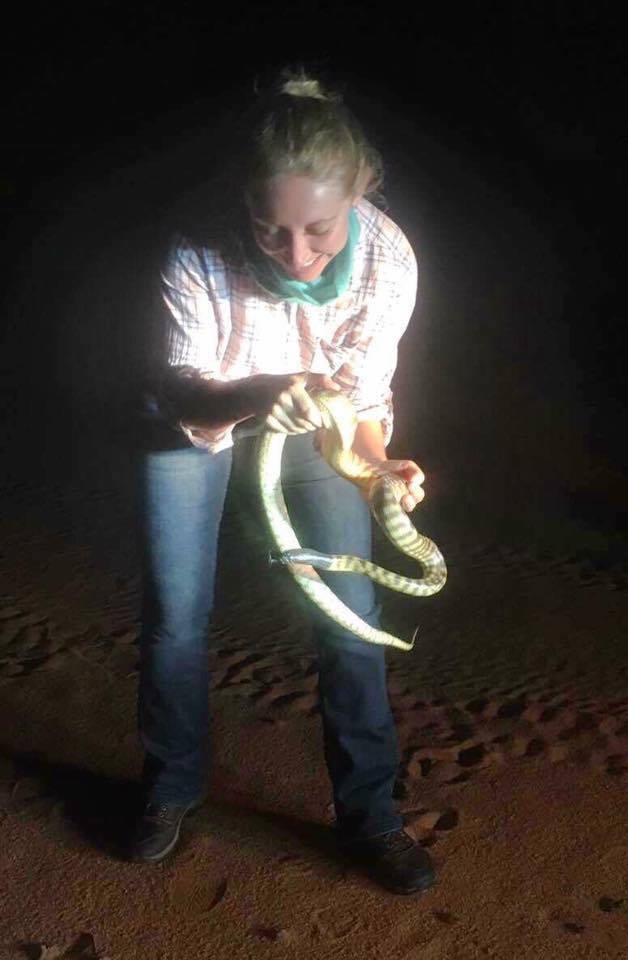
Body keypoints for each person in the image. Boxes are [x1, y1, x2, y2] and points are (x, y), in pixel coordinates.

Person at [132, 68, 433, 896]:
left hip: (314, 424)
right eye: (270, 232)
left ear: (361, 193)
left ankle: (371, 813)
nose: (296, 255)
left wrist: (380, 468)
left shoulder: (389, 259)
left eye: (319, 231)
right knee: (175, 614)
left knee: (351, 616)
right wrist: (263, 393)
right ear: (241, 203)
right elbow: (185, 391)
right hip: (199, 415)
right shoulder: (193, 245)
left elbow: (365, 403)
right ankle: (169, 786)